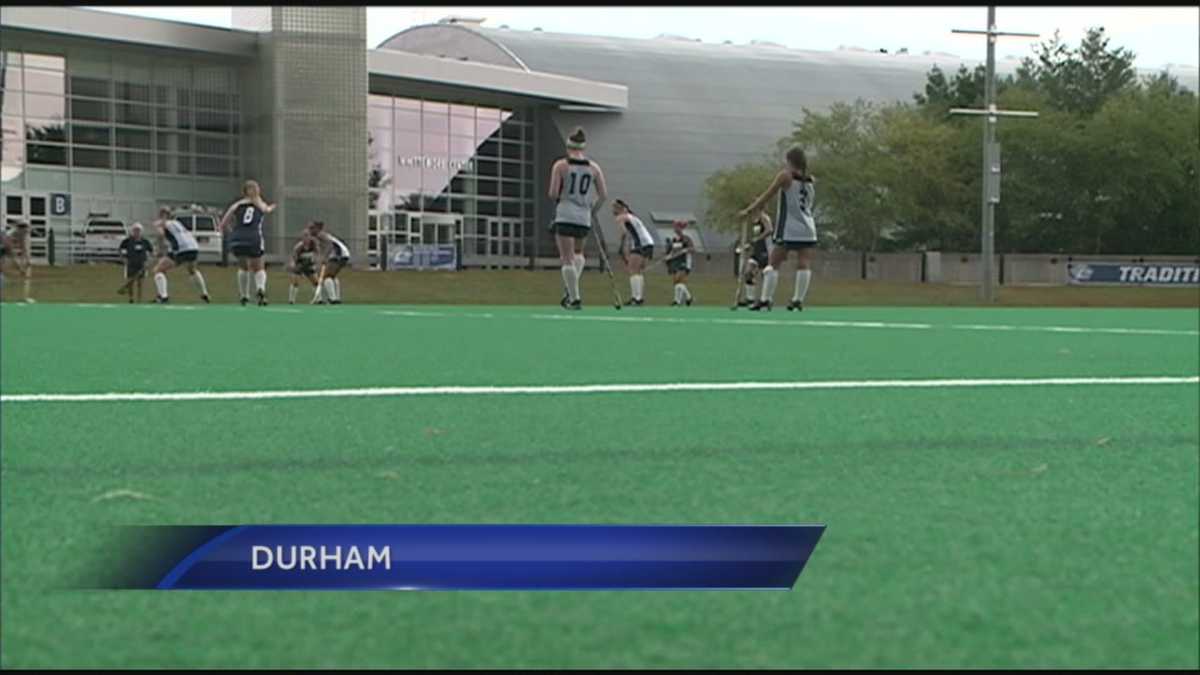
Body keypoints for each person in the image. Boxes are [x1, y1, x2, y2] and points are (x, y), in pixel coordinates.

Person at [739, 144, 817, 312]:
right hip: (807, 226)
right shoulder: (810, 179)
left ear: (789, 161)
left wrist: (749, 210)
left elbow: (768, 195)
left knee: (773, 262)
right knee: (803, 262)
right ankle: (797, 300)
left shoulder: (785, 176)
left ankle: (766, 299)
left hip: (789, 226)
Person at [547, 126, 607, 310]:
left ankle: (574, 297)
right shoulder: (594, 167)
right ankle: (571, 289)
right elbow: (603, 195)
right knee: (578, 254)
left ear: (568, 146)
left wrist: (561, 199)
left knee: (566, 258)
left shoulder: (561, 165)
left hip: (565, 213)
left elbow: (552, 193)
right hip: (584, 216)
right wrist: (593, 210)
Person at [219, 179, 276, 306]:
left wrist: (232, 233)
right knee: (259, 266)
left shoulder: (237, 204)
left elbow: (223, 224)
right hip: (253, 237)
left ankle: (244, 296)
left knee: (243, 266)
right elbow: (266, 210)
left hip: (238, 237)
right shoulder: (259, 203)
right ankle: (260, 289)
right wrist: (271, 207)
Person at [151, 208, 210, 304]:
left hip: (181, 248)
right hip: (193, 247)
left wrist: (159, 250)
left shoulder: (161, 223)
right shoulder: (177, 223)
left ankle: (164, 297)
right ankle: (204, 293)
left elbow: (161, 235)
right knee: (192, 270)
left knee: (158, 270)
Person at [613, 198, 654, 306]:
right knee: (638, 271)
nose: (613, 211)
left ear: (620, 208)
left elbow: (624, 232)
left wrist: (622, 247)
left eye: (615, 208)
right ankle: (639, 298)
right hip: (648, 243)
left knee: (632, 269)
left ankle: (635, 298)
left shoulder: (621, 217)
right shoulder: (633, 217)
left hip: (641, 244)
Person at [307, 220, 351, 305]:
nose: (310, 230)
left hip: (339, 254)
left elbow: (329, 246)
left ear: (317, 229)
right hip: (341, 254)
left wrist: (325, 257)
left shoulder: (321, 235)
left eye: (312, 228)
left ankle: (332, 299)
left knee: (327, 276)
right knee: (331, 276)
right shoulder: (319, 236)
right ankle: (336, 298)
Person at [737, 210, 774, 307]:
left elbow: (769, 230)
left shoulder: (764, 217)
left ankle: (767, 299)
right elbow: (754, 236)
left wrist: (758, 239)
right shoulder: (754, 221)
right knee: (748, 273)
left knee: (765, 274)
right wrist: (748, 245)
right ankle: (750, 298)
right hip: (756, 251)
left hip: (765, 249)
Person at [117, 223, 155, 303]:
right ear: (132, 231)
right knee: (130, 282)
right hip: (131, 264)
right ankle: (131, 299)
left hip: (142, 265)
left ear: (141, 231)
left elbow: (152, 252)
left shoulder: (145, 241)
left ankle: (139, 300)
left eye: (138, 230)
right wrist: (123, 259)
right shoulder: (127, 241)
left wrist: (148, 262)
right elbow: (120, 250)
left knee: (140, 283)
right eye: (135, 230)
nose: (137, 232)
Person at [663, 220, 695, 307]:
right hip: (674, 263)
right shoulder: (673, 240)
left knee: (679, 279)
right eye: (675, 227)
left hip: (684, 261)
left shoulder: (686, 239)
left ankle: (679, 301)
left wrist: (685, 250)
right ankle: (685, 298)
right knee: (676, 282)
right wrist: (667, 257)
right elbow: (669, 252)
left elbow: (692, 249)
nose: (676, 229)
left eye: (678, 227)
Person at [1, 221, 34, 303]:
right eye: (25, 231)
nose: (26, 234)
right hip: (3, 250)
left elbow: (23, 247)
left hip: (2, 251)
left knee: (1, 274)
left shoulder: (20, 235)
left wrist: (28, 260)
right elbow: (12, 256)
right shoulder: (7, 237)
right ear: (19, 230)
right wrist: (20, 269)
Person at [288, 231, 320, 305]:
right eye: (304, 237)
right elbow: (294, 257)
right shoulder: (299, 247)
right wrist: (293, 265)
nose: (306, 239)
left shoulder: (313, 244)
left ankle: (317, 299)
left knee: (316, 282)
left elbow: (317, 254)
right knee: (295, 282)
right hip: (300, 264)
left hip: (309, 265)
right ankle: (291, 300)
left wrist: (316, 262)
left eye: (308, 236)